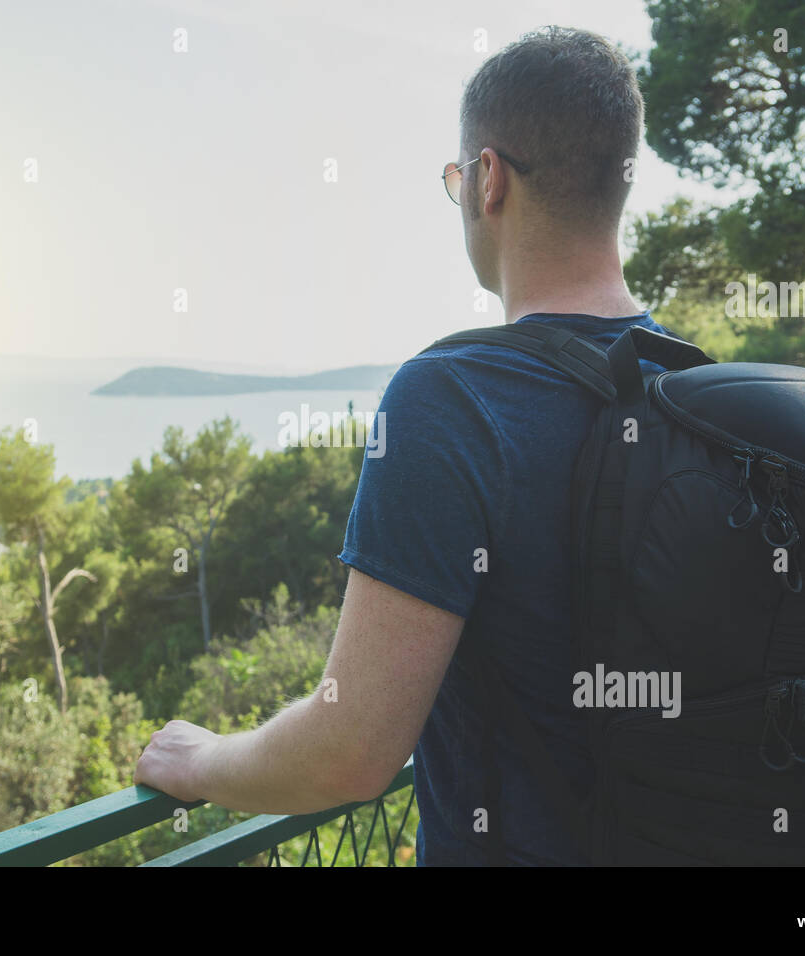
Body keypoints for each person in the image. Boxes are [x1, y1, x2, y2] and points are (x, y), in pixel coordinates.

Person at [134, 25, 670, 865]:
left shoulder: (449, 401)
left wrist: (200, 761)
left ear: (488, 180)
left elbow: (351, 751)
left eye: (456, 177)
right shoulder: (692, 383)